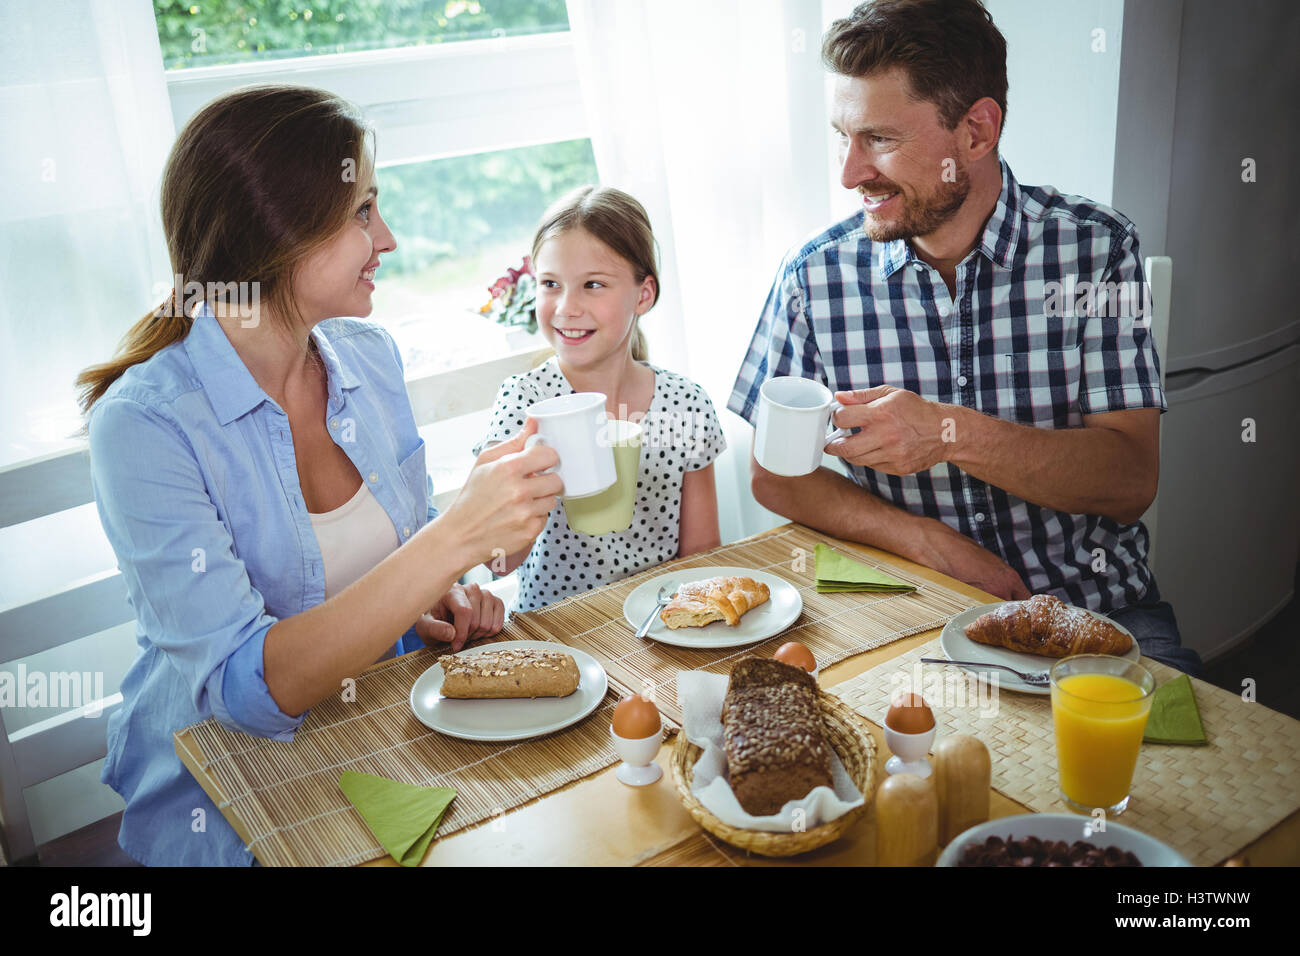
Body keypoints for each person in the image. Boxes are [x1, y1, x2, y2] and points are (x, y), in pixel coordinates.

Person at [75, 85, 563, 865]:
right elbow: (248, 695)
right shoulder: (145, 426)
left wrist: (437, 599)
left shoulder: (369, 358)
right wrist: (451, 540)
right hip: (235, 803)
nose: (391, 238)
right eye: (363, 211)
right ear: (280, 231)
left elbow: (383, 565)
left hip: (384, 747)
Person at [727, 0, 1202, 675]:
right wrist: (925, 542)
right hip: (908, 613)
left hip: (1096, 613)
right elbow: (776, 475)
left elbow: (1130, 479)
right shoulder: (814, 277)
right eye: (843, 136)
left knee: (1183, 774)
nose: (849, 173)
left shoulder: (1095, 250)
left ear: (977, 132)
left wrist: (947, 433)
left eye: (880, 140)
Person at [478, 185, 726, 611]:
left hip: (658, 627)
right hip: (558, 632)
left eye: (593, 284)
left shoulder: (685, 404)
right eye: (550, 284)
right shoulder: (525, 402)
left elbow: (701, 558)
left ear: (643, 295)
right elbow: (499, 563)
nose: (566, 308)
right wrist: (535, 479)